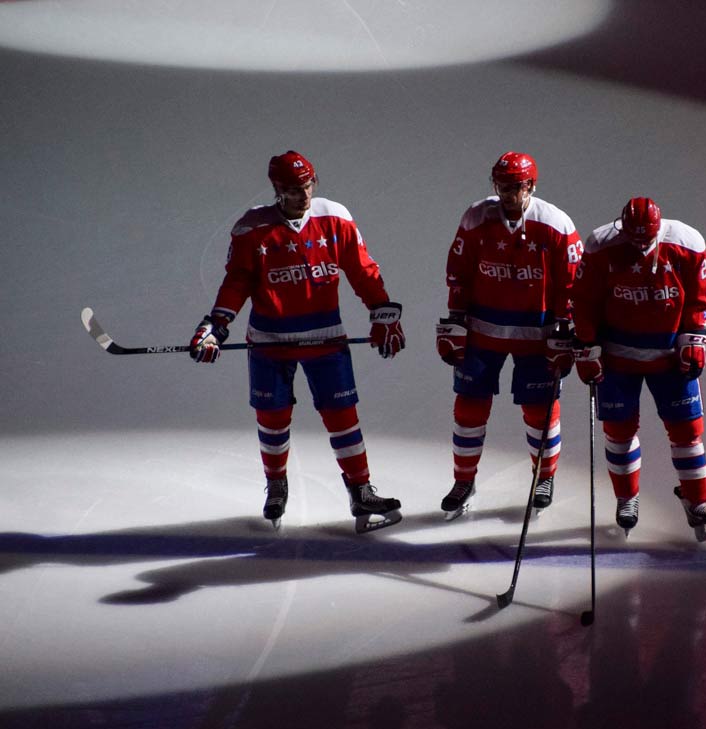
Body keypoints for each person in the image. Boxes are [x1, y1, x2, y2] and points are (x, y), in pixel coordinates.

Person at [189, 150, 406, 533]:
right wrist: (217, 323)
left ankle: (360, 490)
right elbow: (237, 281)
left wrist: (383, 312)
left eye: (307, 186)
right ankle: (276, 485)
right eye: (292, 189)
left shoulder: (334, 218)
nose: (303, 195)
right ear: (276, 189)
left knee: (343, 418)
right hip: (270, 342)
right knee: (273, 419)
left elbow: (362, 268)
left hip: (325, 337)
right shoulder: (252, 228)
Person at [435, 151, 582, 519]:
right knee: (469, 407)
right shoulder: (476, 217)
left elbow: (574, 282)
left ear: (531, 185)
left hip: (538, 333)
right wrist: (455, 318)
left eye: (515, 186)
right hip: (483, 330)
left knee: (538, 410)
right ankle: (463, 480)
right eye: (501, 185)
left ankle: (544, 477)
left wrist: (566, 326)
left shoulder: (556, 224)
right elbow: (458, 269)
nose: (506, 193)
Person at [571, 197, 706, 537]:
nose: (640, 245)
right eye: (633, 237)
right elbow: (583, 299)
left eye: (646, 238)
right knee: (619, 431)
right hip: (617, 358)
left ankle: (697, 500)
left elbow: (701, 296)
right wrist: (586, 345)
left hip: (669, 356)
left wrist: (694, 337)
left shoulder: (686, 243)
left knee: (687, 431)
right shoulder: (600, 246)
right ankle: (626, 498)